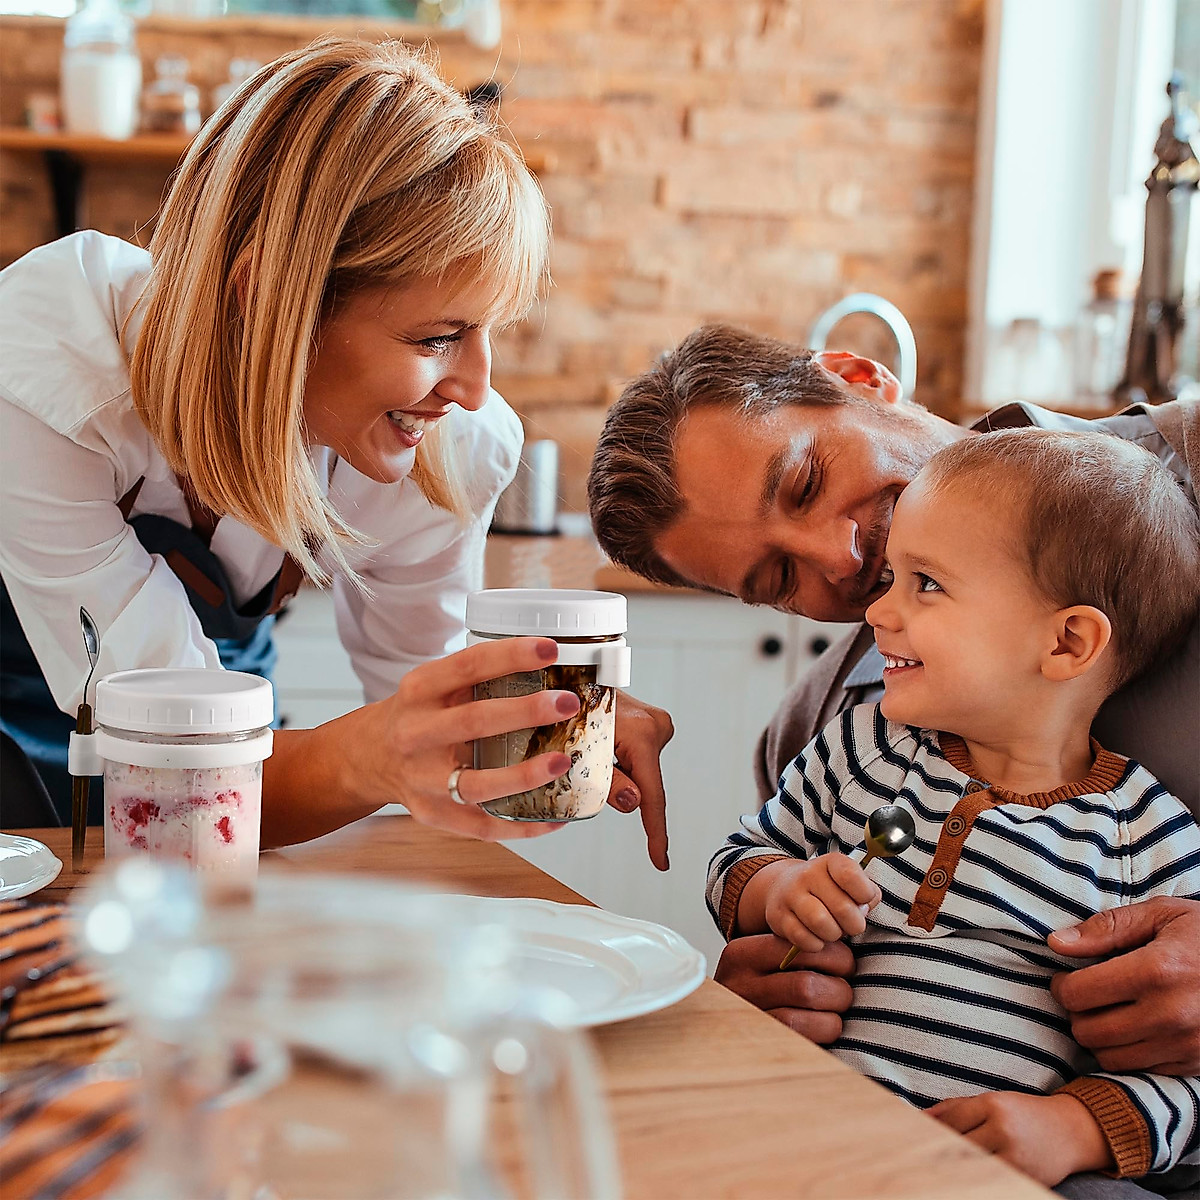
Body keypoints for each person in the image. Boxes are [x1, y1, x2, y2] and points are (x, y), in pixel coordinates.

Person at [0, 37, 671, 865]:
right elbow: (181, 768)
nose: (471, 388)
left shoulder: (447, 449)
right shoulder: (48, 367)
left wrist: (515, 727)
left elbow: (409, 718)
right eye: (436, 337)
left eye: (489, 331)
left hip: (235, 788)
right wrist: (372, 754)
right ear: (263, 302)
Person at [587, 327, 1199, 1087]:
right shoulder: (824, 735)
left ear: (859, 377)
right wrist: (773, 996)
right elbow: (765, 893)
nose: (841, 558)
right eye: (778, 576)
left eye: (807, 480)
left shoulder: (1187, 470)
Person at [706, 429, 1200, 1192]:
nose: (880, 611)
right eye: (893, 575)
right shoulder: (861, 747)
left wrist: (1076, 1127)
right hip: (804, 1141)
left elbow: (1187, 1076)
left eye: (925, 584)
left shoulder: (1150, 841)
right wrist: (775, 890)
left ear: (1068, 643)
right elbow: (740, 857)